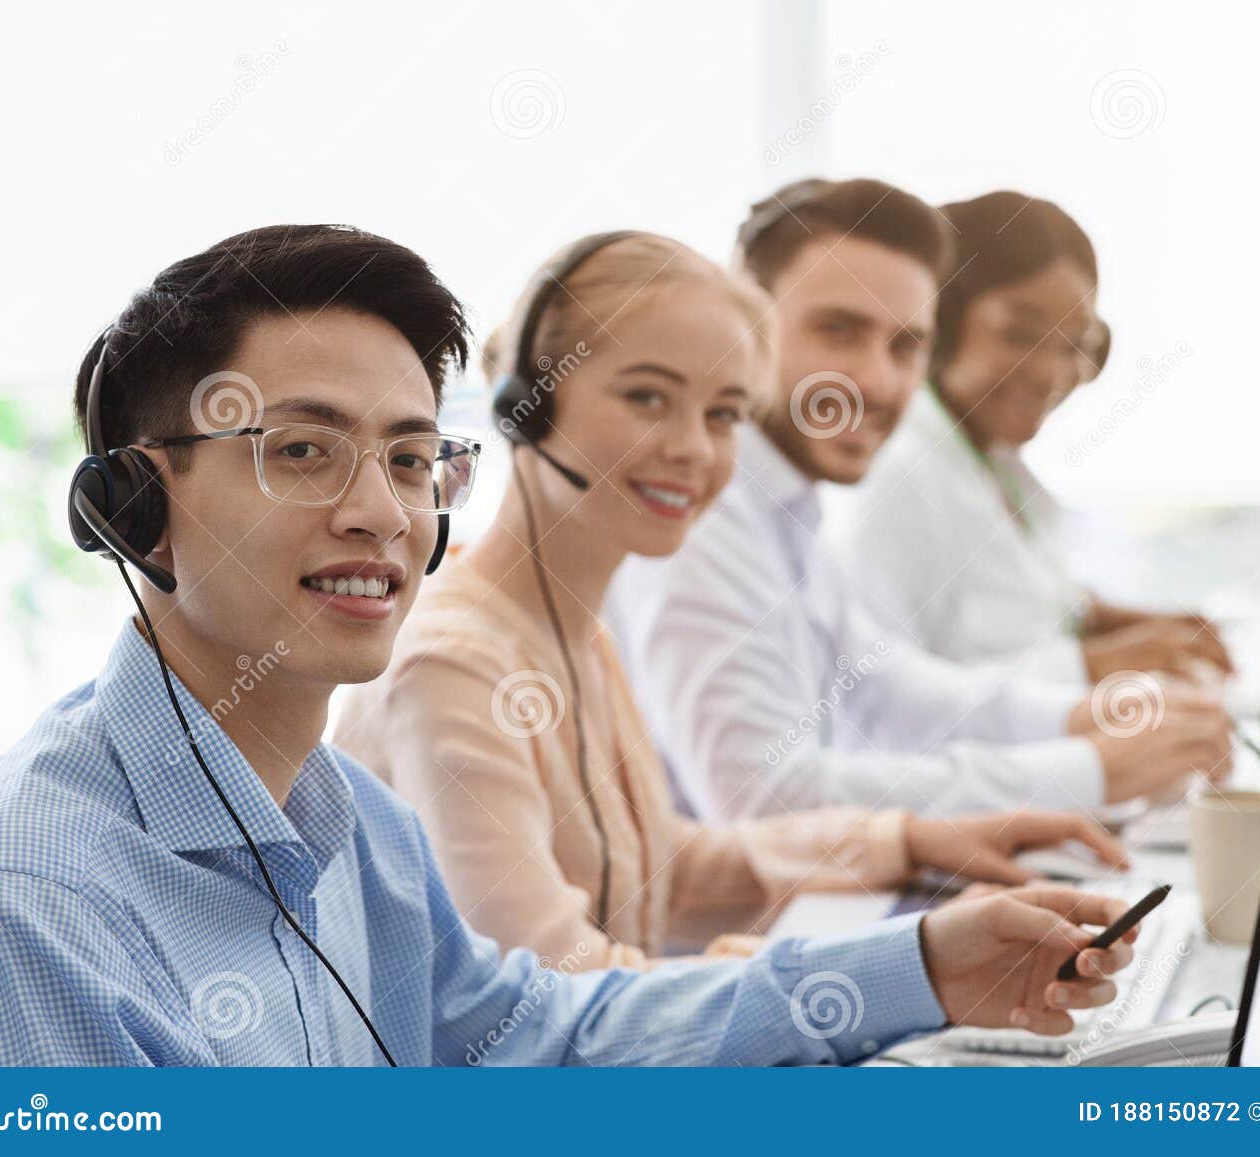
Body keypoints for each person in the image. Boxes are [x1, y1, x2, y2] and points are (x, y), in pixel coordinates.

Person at [0, 224, 1136, 1067]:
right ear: (136, 506)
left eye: (413, 455)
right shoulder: (33, 901)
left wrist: (914, 966)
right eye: (304, 449)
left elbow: (537, 1029)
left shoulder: (351, 822)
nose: (381, 507)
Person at [334, 231, 1129, 970]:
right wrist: (901, 967)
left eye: (723, 415)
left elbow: (655, 868)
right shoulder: (455, 667)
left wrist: (910, 841)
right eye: (648, 398)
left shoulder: (575, 633)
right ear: (527, 405)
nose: (694, 449)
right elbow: (552, 995)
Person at [608, 180, 1233, 824]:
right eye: (837, 330)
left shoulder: (786, 504)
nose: (876, 382)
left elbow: (886, 689)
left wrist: (1084, 715)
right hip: (736, 920)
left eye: (905, 345)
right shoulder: (698, 510)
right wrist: (1090, 769)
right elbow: (765, 801)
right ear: (743, 326)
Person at [827, 191, 1235, 686]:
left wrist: (1132, 627)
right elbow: (877, 701)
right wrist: (1097, 664)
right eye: (1019, 335)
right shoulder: (897, 478)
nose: (1049, 375)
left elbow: (1026, 607)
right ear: (941, 322)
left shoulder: (1000, 467)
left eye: (1074, 346)